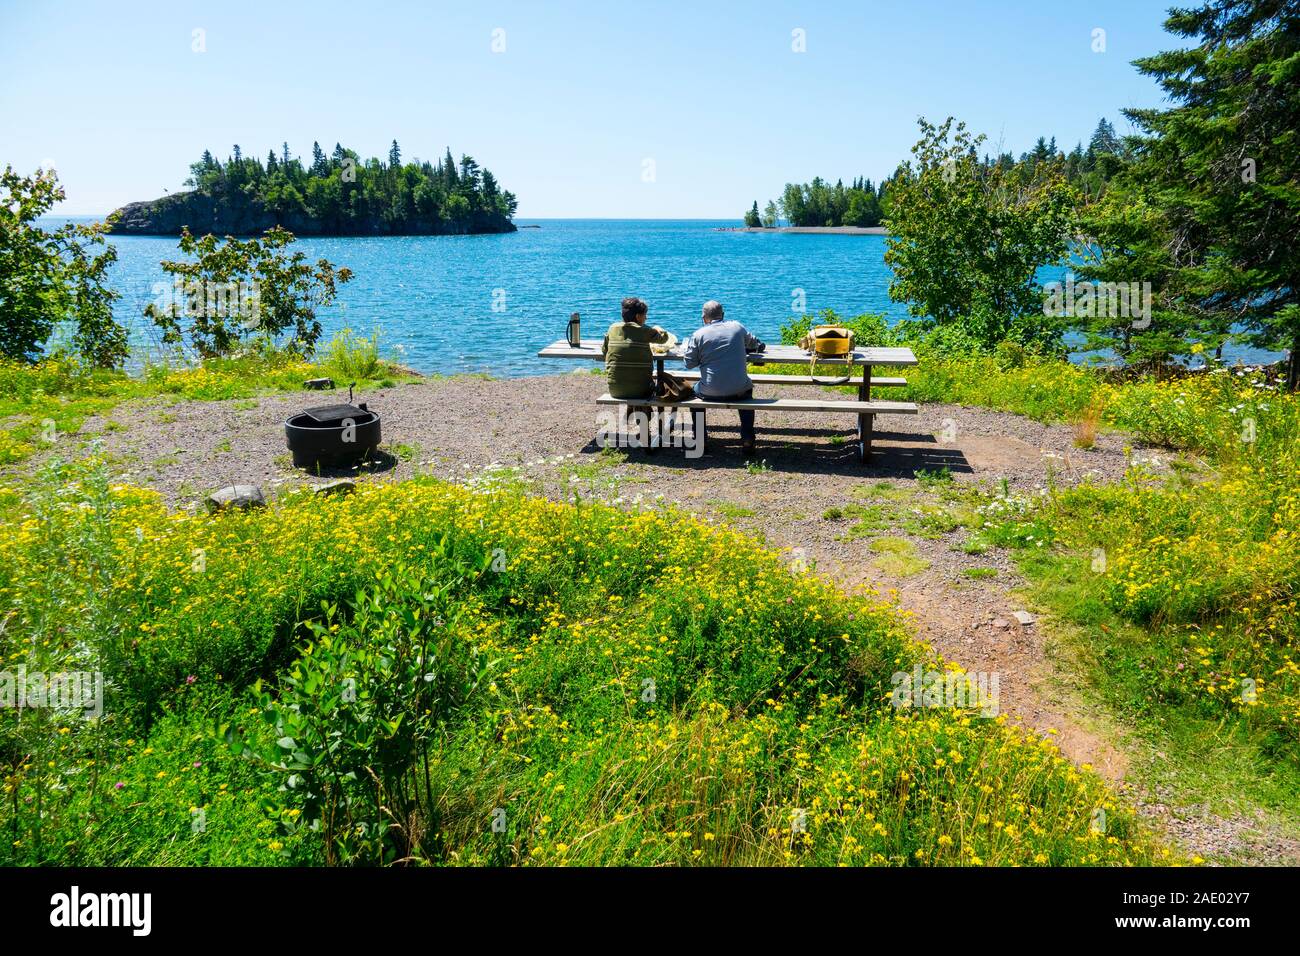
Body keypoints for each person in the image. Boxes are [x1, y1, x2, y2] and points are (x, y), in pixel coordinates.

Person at [682, 300, 765, 455]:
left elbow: (689, 364)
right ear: (723, 315)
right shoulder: (737, 327)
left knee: (694, 394)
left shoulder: (698, 334)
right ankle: (747, 438)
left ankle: (700, 440)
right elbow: (754, 343)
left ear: (704, 317)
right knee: (746, 391)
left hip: (709, 391)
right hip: (739, 390)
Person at [601, 296, 670, 399]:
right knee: (656, 386)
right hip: (642, 391)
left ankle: (636, 409)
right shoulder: (645, 330)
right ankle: (643, 409)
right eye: (645, 315)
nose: (646, 318)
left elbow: (604, 351)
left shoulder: (612, 328)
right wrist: (658, 328)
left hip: (615, 391)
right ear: (638, 317)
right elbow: (664, 338)